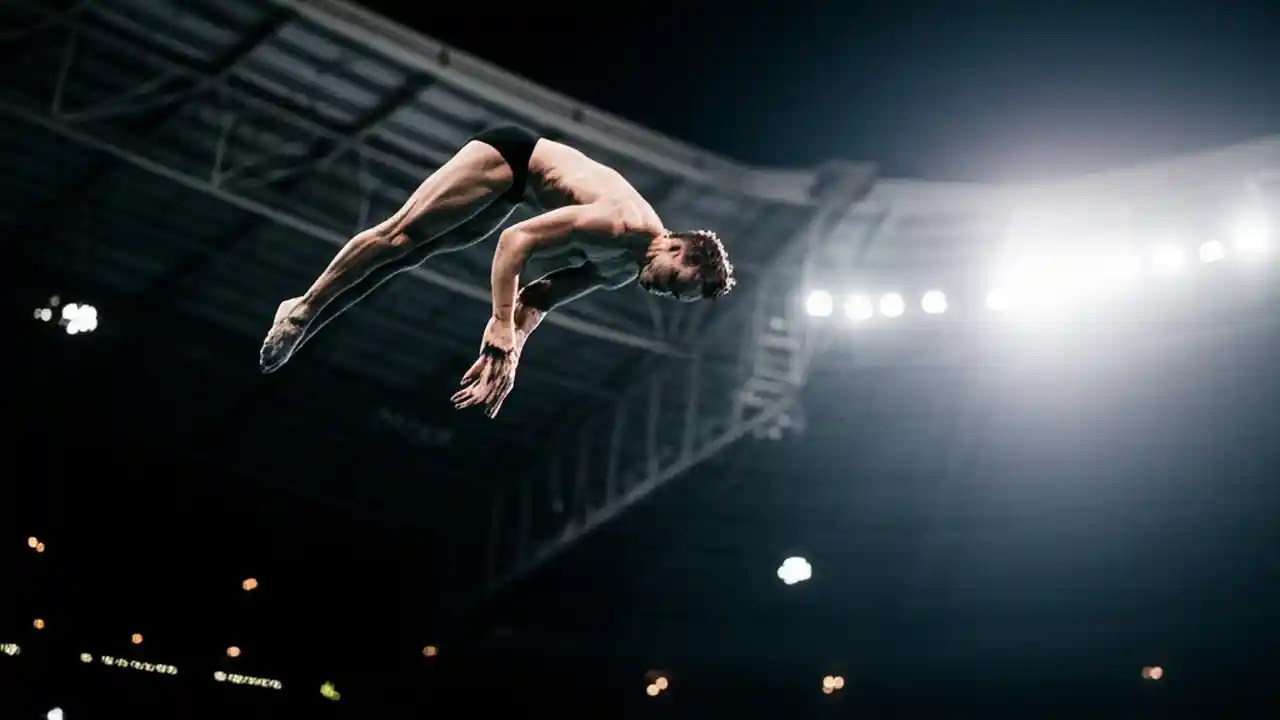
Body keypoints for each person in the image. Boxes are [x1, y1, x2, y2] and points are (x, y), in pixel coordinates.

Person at [259, 125, 735, 418]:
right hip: (512, 155)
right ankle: (301, 311)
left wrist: (508, 355)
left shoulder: (619, 271)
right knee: (401, 236)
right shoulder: (621, 223)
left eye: (673, 297)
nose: (660, 292)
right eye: (673, 282)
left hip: (520, 191)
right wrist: (499, 321)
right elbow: (516, 241)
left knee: (411, 256)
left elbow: (538, 297)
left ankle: (307, 316)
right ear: (675, 246)